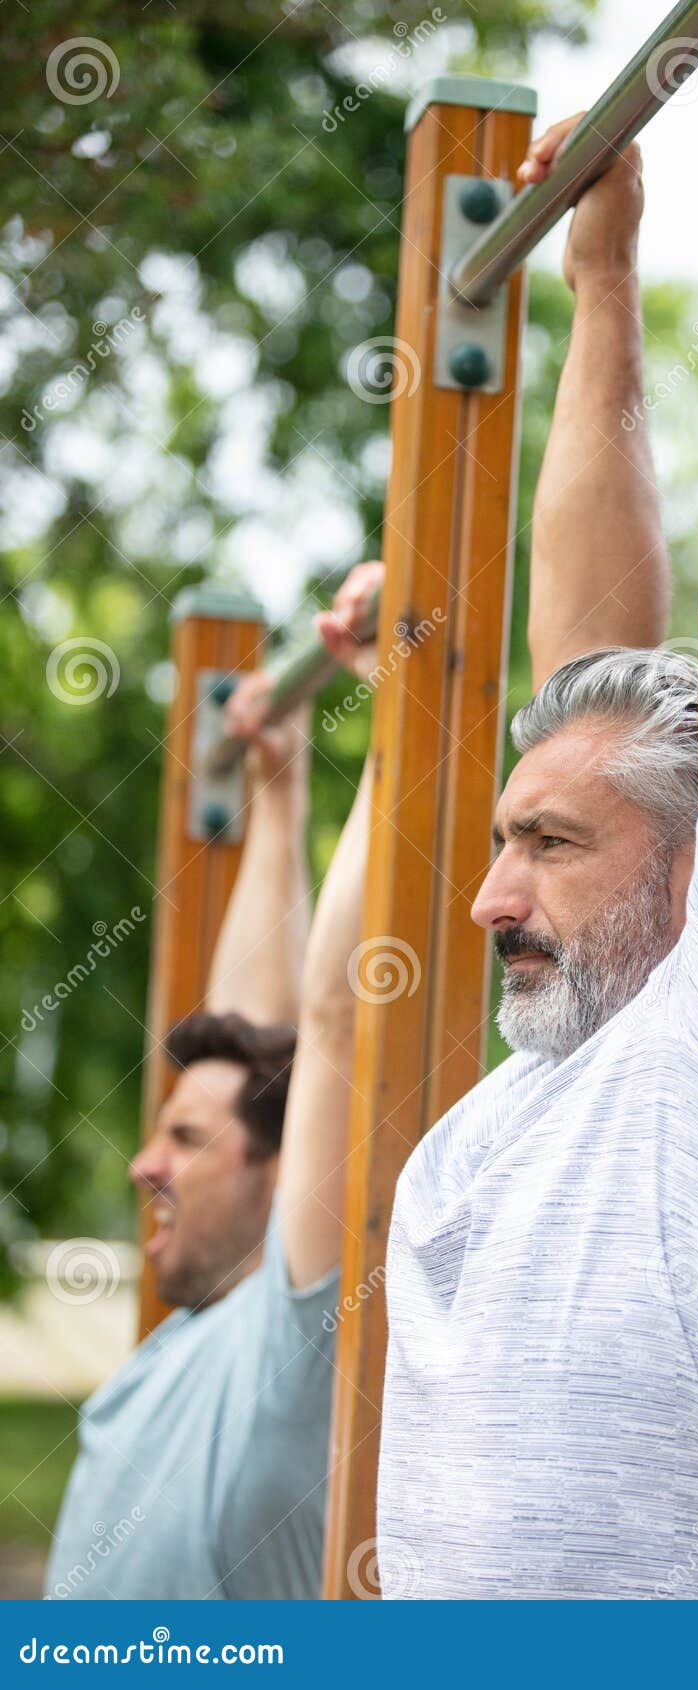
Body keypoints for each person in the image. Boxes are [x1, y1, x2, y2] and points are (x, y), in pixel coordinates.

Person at [375, 0, 698, 1598]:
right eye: (507, 838)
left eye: (547, 847)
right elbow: (591, 648)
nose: (492, 894)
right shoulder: (538, 1083)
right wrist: (600, 279)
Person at [45, 564, 383, 1600]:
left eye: (187, 1141)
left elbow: (329, 1016)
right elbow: (258, 1037)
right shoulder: (191, 1343)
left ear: (283, 1176)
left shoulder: (289, 1347)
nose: (144, 1159)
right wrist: (276, 790)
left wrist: (400, 698)